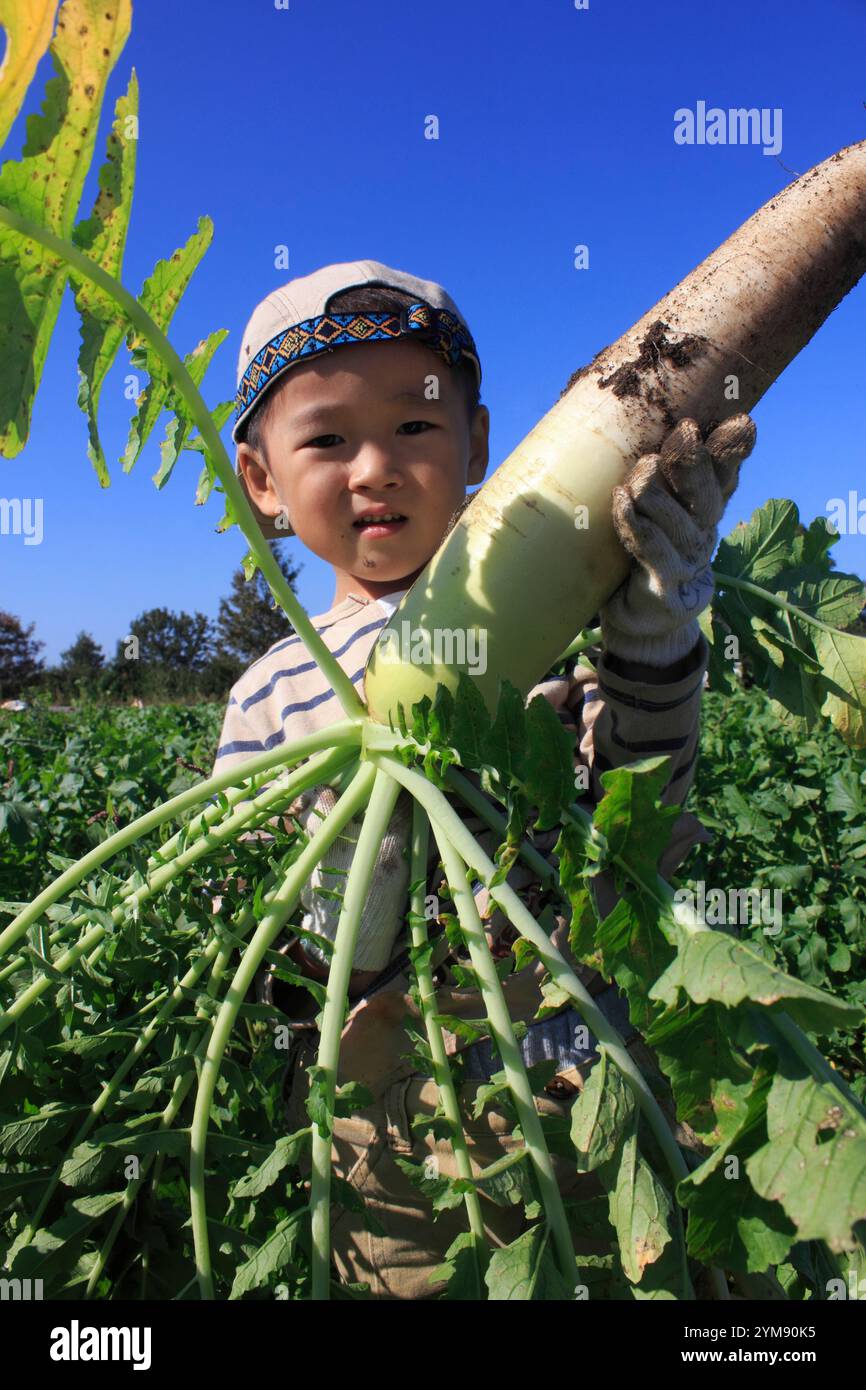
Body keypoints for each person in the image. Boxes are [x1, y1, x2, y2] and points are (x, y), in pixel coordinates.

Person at [211, 260, 756, 1298]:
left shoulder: (562, 634)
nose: (373, 466)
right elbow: (259, 950)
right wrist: (340, 899)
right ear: (262, 483)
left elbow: (644, 826)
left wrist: (650, 638)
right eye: (326, 438)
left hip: (583, 1085)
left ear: (475, 446)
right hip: (389, 1143)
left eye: (414, 427)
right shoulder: (268, 693)